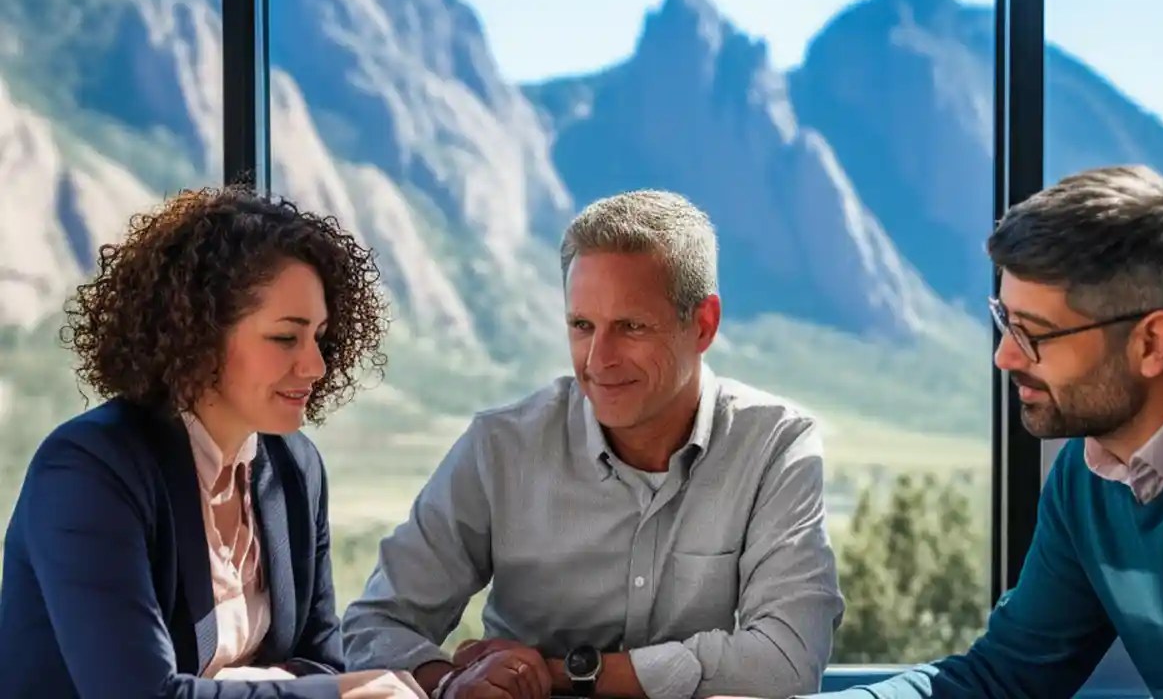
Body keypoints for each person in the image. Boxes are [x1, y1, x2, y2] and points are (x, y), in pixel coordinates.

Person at [781, 165, 1163, 698]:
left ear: (1153, 342)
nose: (1004, 355)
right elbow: (1005, 675)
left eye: (1033, 334)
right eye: (1004, 321)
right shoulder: (1090, 472)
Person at [341, 190, 845, 699]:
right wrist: (454, 683)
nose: (598, 359)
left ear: (704, 325)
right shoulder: (501, 448)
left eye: (631, 327)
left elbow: (787, 659)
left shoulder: (775, 445)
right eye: (582, 325)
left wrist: (564, 674)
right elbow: (374, 628)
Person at [0, 187, 425, 698]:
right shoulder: (90, 471)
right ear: (198, 336)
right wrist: (327, 693)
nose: (315, 366)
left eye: (320, 336)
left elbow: (321, 659)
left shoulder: (296, 468)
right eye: (286, 338)